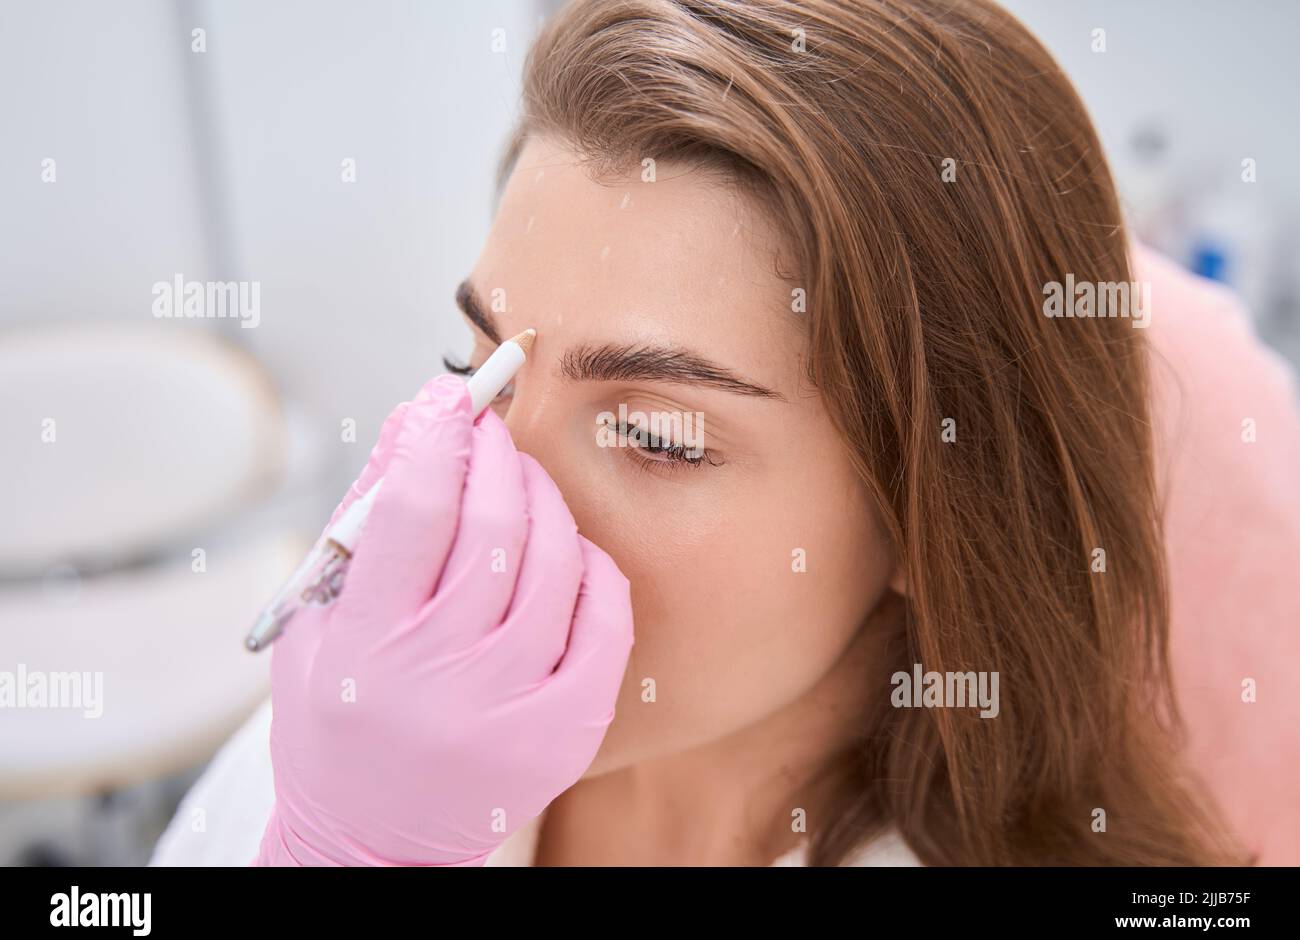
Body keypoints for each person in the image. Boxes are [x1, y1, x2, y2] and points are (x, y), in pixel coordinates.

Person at [154, 0, 1300, 867]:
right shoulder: (356, 752)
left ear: (934, 509)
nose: (488, 510)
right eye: (482, 368)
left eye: (655, 434)